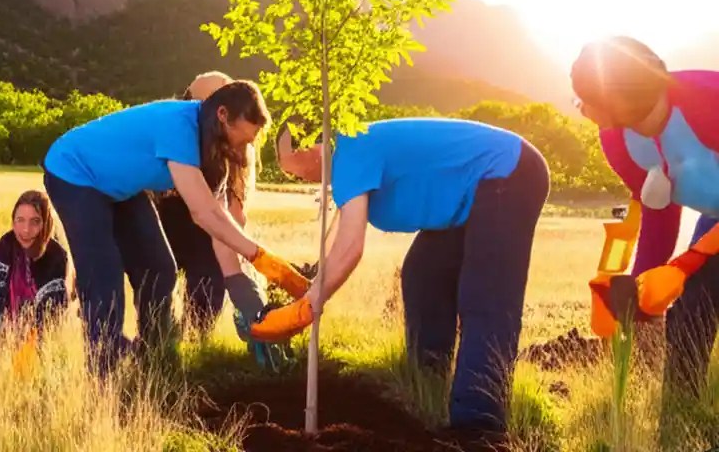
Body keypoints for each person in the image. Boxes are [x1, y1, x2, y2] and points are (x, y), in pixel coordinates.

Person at [254, 116, 550, 436]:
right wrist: (309, 283)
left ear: (312, 145)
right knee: (423, 275)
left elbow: (351, 247)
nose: (290, 173)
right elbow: (339, 236)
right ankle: (427, 381)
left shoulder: (350, 150)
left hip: (508, 171)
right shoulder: (350, 158)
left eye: (288, 164)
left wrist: (308, 307)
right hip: (469, 198)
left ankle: (478, 425)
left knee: (485, 297)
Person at [41, 79, 307, 374]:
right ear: (222, 114)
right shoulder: (180, 127)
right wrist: (264, 259)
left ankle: (157, 358)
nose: (244, 148)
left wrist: (246, 292)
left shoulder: (215, 149)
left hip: (119, 187)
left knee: (159, 268)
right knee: (104, 278)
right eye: (243, 139)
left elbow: (219, 223)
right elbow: (203, 214)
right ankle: (106, 374)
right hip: (74, 172)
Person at [570, 36, 719, 399]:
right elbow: (659, 209)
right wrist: (639, 287)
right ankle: (681, 409)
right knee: (692, 306)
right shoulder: (617, 141)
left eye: (587, 99)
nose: (581, 108)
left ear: (619, 96)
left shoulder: (706, 99)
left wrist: (689, 260)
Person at [155, 71, 268, 334]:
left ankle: (196, 343)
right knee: (157, 276)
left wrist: (241, 280)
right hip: (165, 218)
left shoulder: (237, 150)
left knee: (208, 285)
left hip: (209, 228)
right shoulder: (178, 131)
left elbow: (233, 214)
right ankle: (159, 342)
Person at [0, 190, 72, 335]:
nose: (26, 230)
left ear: (46, 224)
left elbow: (51, 321)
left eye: (35, 221)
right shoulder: (6, 245)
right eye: (20, 220)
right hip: (8, 335)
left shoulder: (57, 257)